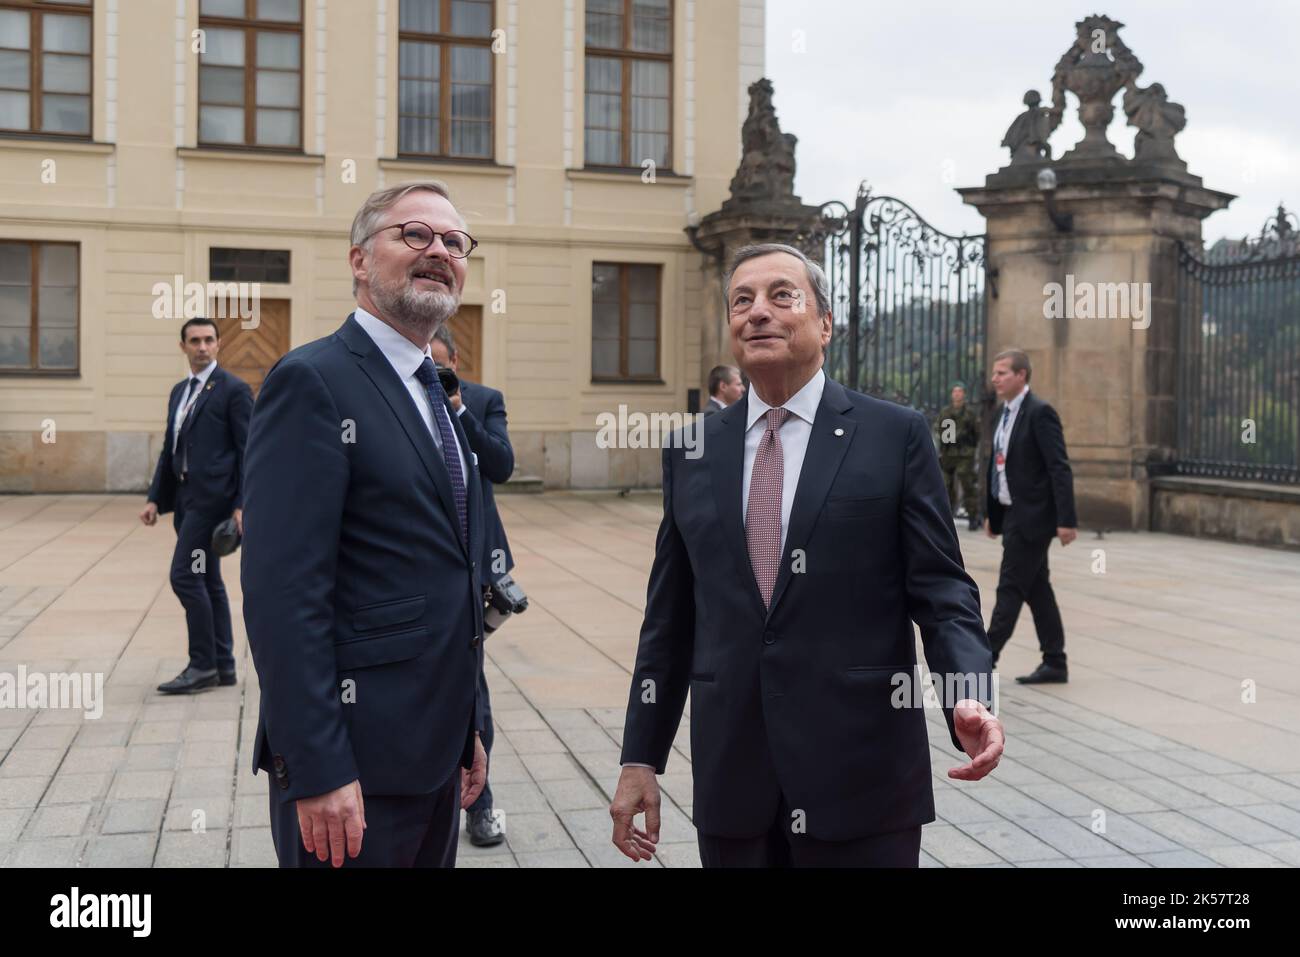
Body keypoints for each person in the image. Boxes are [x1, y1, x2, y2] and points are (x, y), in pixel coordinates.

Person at [608, 243, 1003, 868]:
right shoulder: (691, 450)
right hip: (734, 786)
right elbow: (670, 621)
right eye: (742, 300)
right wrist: (640, 757)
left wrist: (969, 690)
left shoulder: (893, 435)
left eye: (780, 296)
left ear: (825, 323)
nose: (757, 312)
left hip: (862, 780)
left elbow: (942, 590)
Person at [241, 181, 488, 868]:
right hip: (352, 767)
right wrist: (315, 765)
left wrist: (473, 722)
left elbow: (455, 571)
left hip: (436, 756)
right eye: (414, 234)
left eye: (454, 242)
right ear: (358, 260)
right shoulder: (312, 381)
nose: (438, 250)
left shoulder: (432, 389)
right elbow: (282, 594)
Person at [429, 324, 514, 848]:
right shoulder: (392, 401)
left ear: (455, 361)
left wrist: (458, 408)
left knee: (469, 684)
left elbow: (501, 465)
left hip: (473, 570)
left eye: (440, 365)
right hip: (416, 574)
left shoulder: (482, 401)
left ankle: (479, 803)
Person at [140, 318, 252, 694]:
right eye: (195, 341)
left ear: (219, 344)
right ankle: (223, 666)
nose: (202, 347)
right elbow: (172, 448)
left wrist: (242, 505)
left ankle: (202, 664)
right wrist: (156, 497)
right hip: (187, 500)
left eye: (208, 340)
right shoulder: (179, 391)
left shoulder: (233, 390)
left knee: (184, 576)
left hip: (214, 501)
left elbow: (247, 451)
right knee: (208, 579)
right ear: (183, 346)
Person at [984, 348, 1078, 684]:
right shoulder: (1001, 414)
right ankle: (1055, 661)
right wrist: (992, 514)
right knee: (1037, 590)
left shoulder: (1040, 413)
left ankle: (983, 658)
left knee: (1010, 587)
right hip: (1011, 514)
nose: (995, 379)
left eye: (1002, 373)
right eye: (995, 373)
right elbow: (996, 464)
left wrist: (1066, 520)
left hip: (1033, 519)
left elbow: (1059, 467)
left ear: (1021, 375)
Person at [934, 381, 981, 531]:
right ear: (951, 395)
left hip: (965, 454)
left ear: (964, 395)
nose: (957, 394)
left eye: (960, 391)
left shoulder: (970, 413)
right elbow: (938, 429)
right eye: (955, 392)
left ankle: (973, 516)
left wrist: (971, 448)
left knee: (966, 481)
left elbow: (977, 433)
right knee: (946, 485)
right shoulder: (946, 412)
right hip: (948, 454)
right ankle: (946, 517)